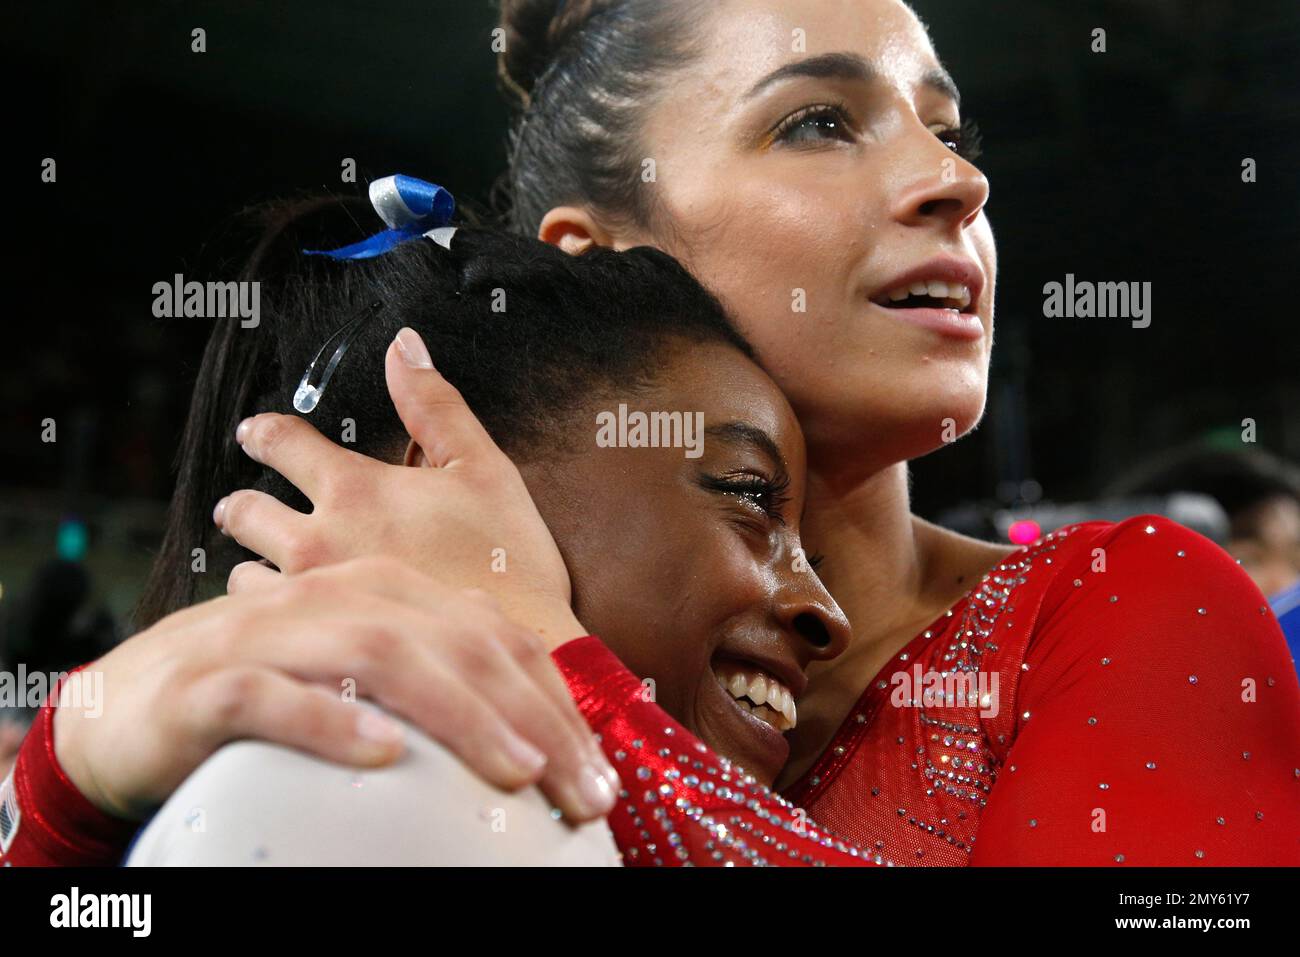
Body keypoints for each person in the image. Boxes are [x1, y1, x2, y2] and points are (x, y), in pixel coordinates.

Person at [7, 0, 1300, 866]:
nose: (959, 178)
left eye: (950, 128)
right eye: (819, 121)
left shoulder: (1135, 601)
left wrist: (562, 667)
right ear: (606, 251)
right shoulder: (406, 676)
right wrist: (70, 776)